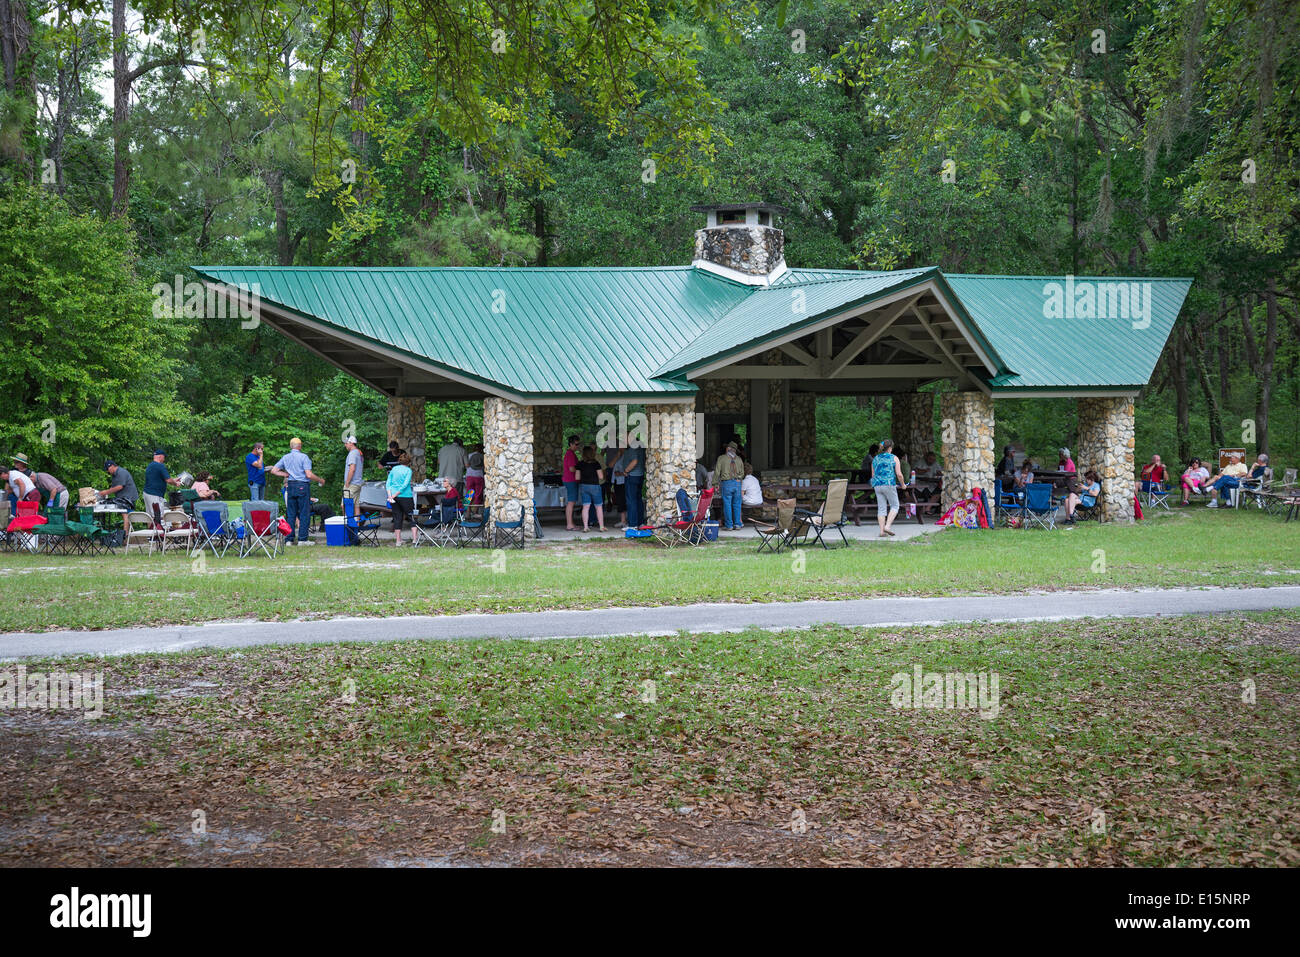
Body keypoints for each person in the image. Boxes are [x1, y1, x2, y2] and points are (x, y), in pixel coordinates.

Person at [269, 438, 326, 543]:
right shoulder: (304, 457)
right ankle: (302, 540)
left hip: (290, 486)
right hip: (302, 486)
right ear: (300, 446)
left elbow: (274, 470)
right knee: (304, 513)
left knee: (291, 513)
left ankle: (289, 540)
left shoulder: (285, 457)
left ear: (291, 446)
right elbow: (308, 474)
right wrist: (320, 480)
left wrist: (285, 474)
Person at [871, 438, 906, 537]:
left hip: (877, 485)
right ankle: (887, 526)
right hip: (889, 484)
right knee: (895, 506)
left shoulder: (875, 459)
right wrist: (903, 484)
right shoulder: (894, 458)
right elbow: (899, 474)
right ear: (890, 448)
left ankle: (882, 531)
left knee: (881, 508)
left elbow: (873, 475)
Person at [713, 440, 745, 531]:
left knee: (727, 504)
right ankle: (738, 524)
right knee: (737, 504)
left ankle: (729, 525)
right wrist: (739, 479)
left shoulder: (722, 458)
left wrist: (715, 483)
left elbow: (717, 471)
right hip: (737, 483)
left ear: (728, 449)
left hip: (727, 483)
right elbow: (742, 473)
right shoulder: (739, 459)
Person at [386, 451, 415, 547]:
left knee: (397, 518)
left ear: (399, 461)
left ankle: (398, 541)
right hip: (406, 496)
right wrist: (394, 495)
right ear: (409, 462)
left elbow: (388, 483)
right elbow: (405, 485)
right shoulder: (408, 471)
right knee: (411, 517)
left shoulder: (394, 469)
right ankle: (415, 539)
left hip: (394, 498)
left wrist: (390, 495)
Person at [617, 436, 646, 528]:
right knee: (638, 499)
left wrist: (626, 471)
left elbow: (635, 461)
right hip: (640, 475)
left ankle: (632, 524)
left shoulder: (632, 448)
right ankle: (640, 522)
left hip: (632, 476)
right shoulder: (640, 447)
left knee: (631, 501)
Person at [143, 449, 180, 518]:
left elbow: (158, 479)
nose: (164, 459)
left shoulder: (150, 465)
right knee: (158, 516)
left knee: (150, 516)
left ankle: (151, 529)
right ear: (160, 456)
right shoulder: (160, 466)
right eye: (164, 457)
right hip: (155, 495)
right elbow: (168, 480)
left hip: (147, 493)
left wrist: (174, 480)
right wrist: (175, 483)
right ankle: (158, 528)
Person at [577, 445, 605, 532]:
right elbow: (601, 477)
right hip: (594, 486)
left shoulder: (580, 464)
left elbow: (577, 477)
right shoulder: (596, 463)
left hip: (584, 486)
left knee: (586, 507)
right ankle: (601, 527)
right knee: (598, 507)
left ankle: (585, 527)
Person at [562, 434, 581, 530]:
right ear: (571, 444)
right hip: (571, 480)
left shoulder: (571, 453)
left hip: (570, 480)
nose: (578, 446)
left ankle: (571, 523)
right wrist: (581, 469)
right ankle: (569, 524)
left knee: (571, 502)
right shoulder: (570, 454)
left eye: (578, 444)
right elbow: (572, 469)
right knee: (571, 502)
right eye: (576, 444)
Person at [342, 436, 364, 503]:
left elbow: (352, 469)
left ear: (351, 443)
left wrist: (347, 482)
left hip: (352, 484)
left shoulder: (352, 453)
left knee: (345, 505)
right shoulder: (358, 452)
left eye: (346, 443)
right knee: (356, 505)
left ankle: (346, 514)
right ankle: (356, 514)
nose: (345, 445)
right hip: (358, 483)